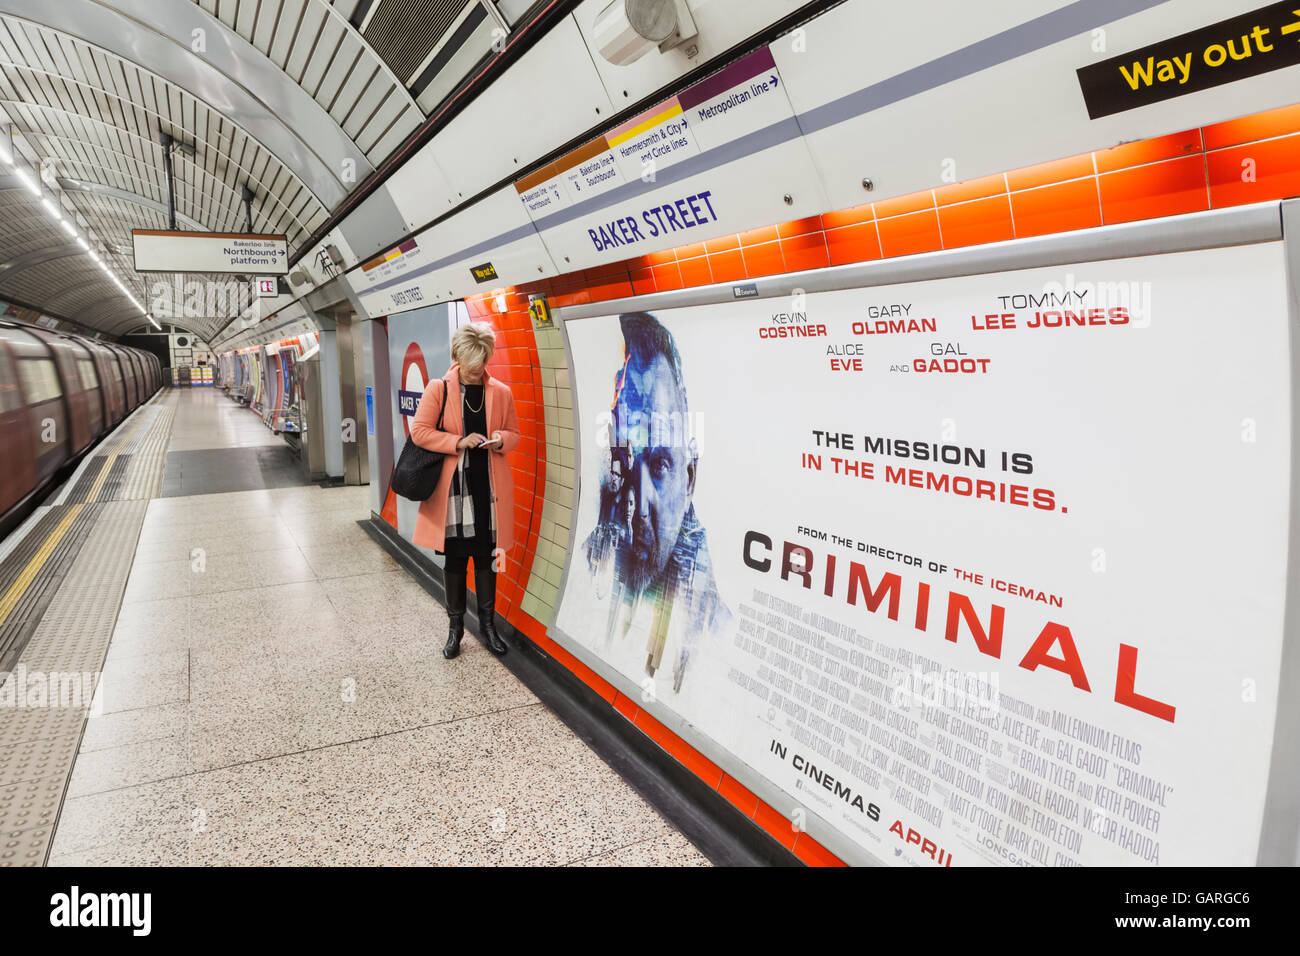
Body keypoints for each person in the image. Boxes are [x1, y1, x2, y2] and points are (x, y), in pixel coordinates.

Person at [579, 312, 731, 692]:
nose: (638, 505)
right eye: (626, 459)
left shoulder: (711, 629)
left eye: (661, 465)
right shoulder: (596, 558)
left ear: (689, 476)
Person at [409, 322, 520, 659]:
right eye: (471, 362)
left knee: (487, 558)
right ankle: (455, 629)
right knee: (456, 561)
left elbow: (515, 433)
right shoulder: (438, 389)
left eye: (482, 362)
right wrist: (458, 441)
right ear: (457, 356)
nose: (476, 369)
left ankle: (488, 626)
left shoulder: (500, 392)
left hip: (488, 488)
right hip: (453, 491)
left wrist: (500, 439)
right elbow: (420, 432)